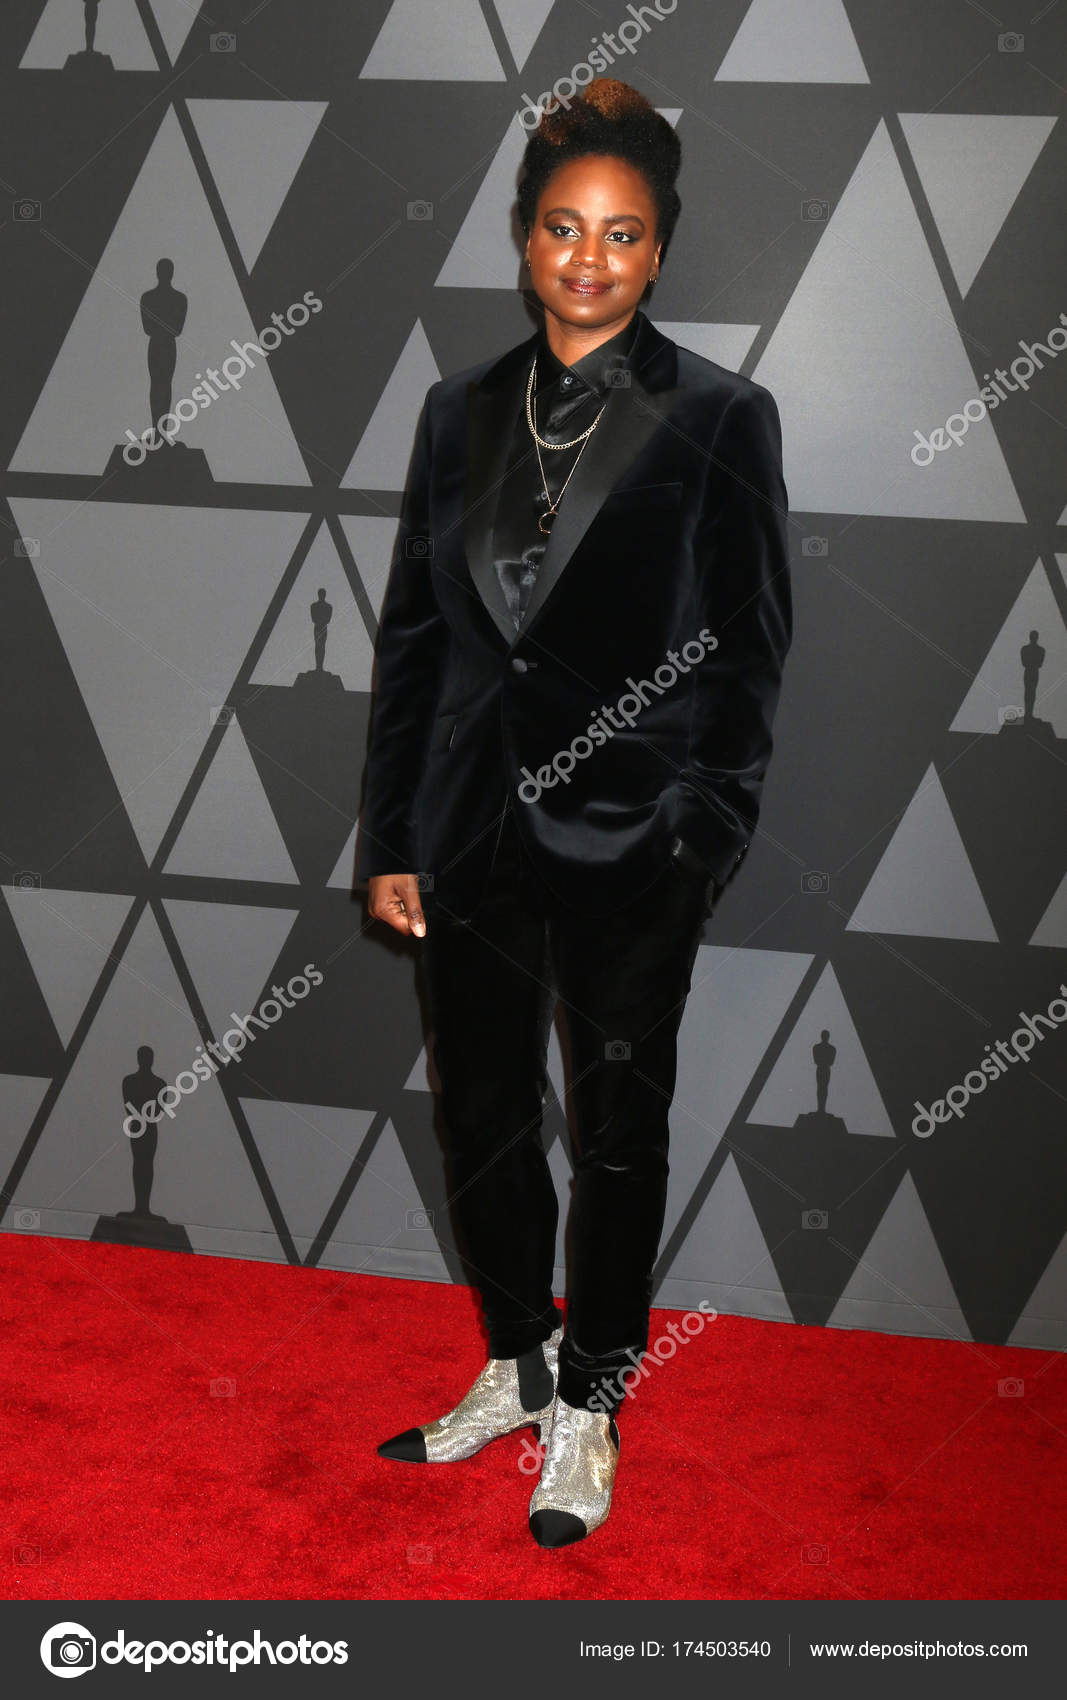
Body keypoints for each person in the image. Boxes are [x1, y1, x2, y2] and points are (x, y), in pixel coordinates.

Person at [357, 78, 792, 1548]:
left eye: (622, 233)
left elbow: (750, 647)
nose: (588, 257)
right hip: (469, 833)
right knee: (481, 1118)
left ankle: (593, 1404)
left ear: (659, 250)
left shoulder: (723, 417)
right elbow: (417, 638)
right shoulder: (456, 411)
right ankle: (512, 1364)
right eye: (562, 227)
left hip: (632, 847)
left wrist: (701, 840)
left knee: (616, 1132)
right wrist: (394, 836)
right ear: (525, 238)